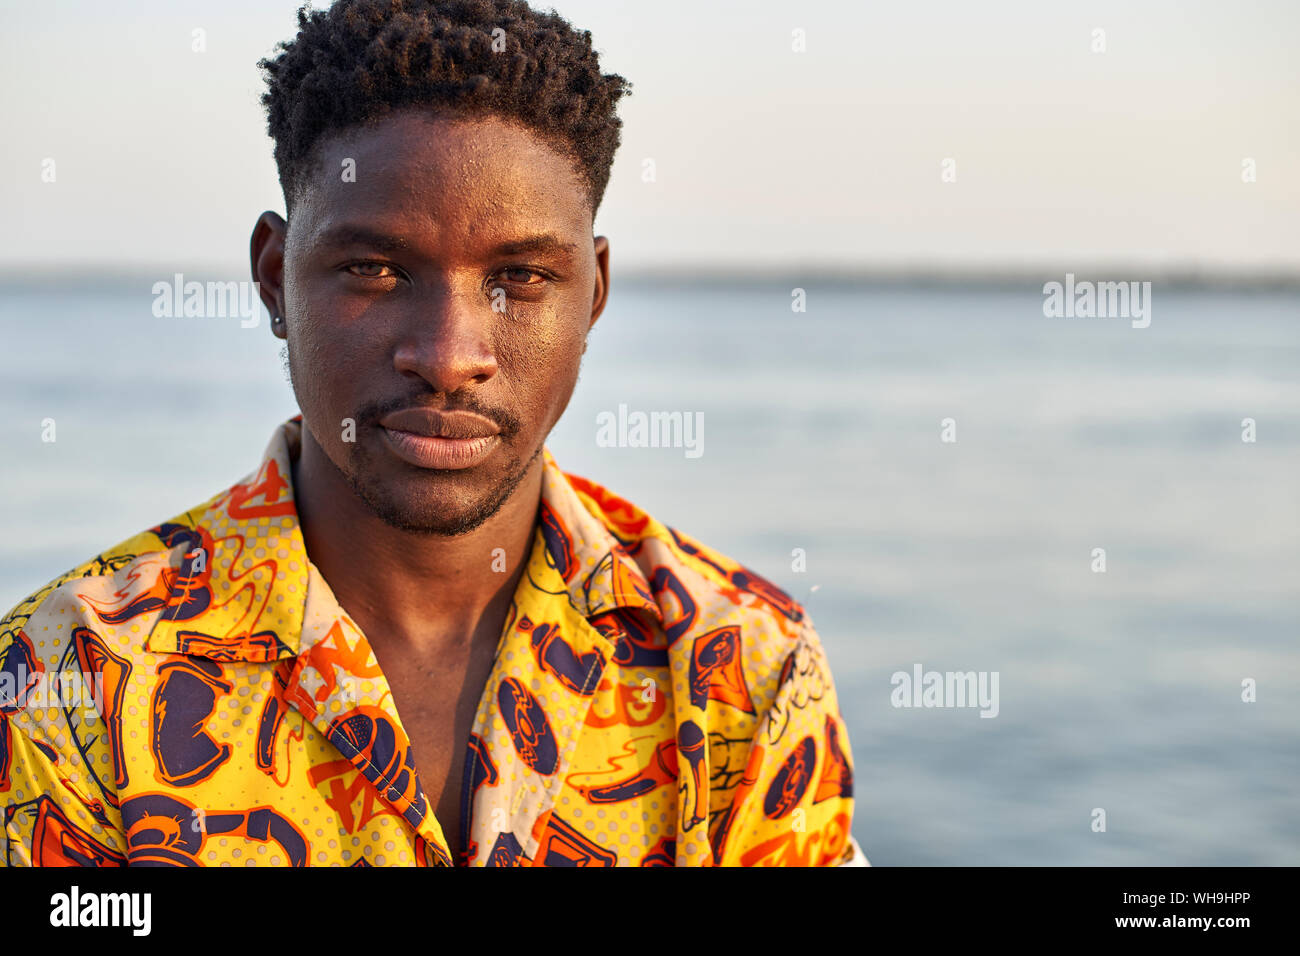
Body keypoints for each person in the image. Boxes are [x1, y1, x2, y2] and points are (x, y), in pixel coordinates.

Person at [0, 0, 863, 867]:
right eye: (374, 269)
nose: (450, 356)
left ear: (591, 296)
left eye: (520, 277)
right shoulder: (73, 674)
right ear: (273, 280)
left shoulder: (739, 667)